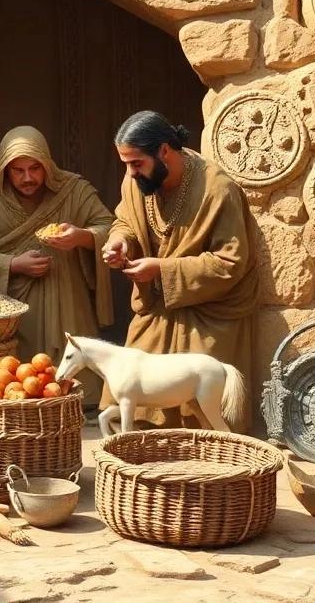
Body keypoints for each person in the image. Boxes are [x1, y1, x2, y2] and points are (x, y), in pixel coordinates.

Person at [102, 111, 259, 429]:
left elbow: (230, 262)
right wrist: (120, 241)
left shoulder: (218, 190)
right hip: (159, 306)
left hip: (209, 310)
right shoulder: (137, 182)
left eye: (136, 163)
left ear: (163, 151)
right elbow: (125, 220)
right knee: (132, 388)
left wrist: (162, 269)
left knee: (201, 404)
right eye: (126, 164)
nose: (130, 173)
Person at [0, 126, 115, 365]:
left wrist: (81, 236)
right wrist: (13, 264)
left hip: (69, 303)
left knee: (80, 383)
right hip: (15, 311)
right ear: (4, 170)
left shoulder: (73, 189)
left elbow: (110, 227)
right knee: (19, 380)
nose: (28, 178)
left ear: (47, 165)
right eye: (17, 171)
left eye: (35, 168)